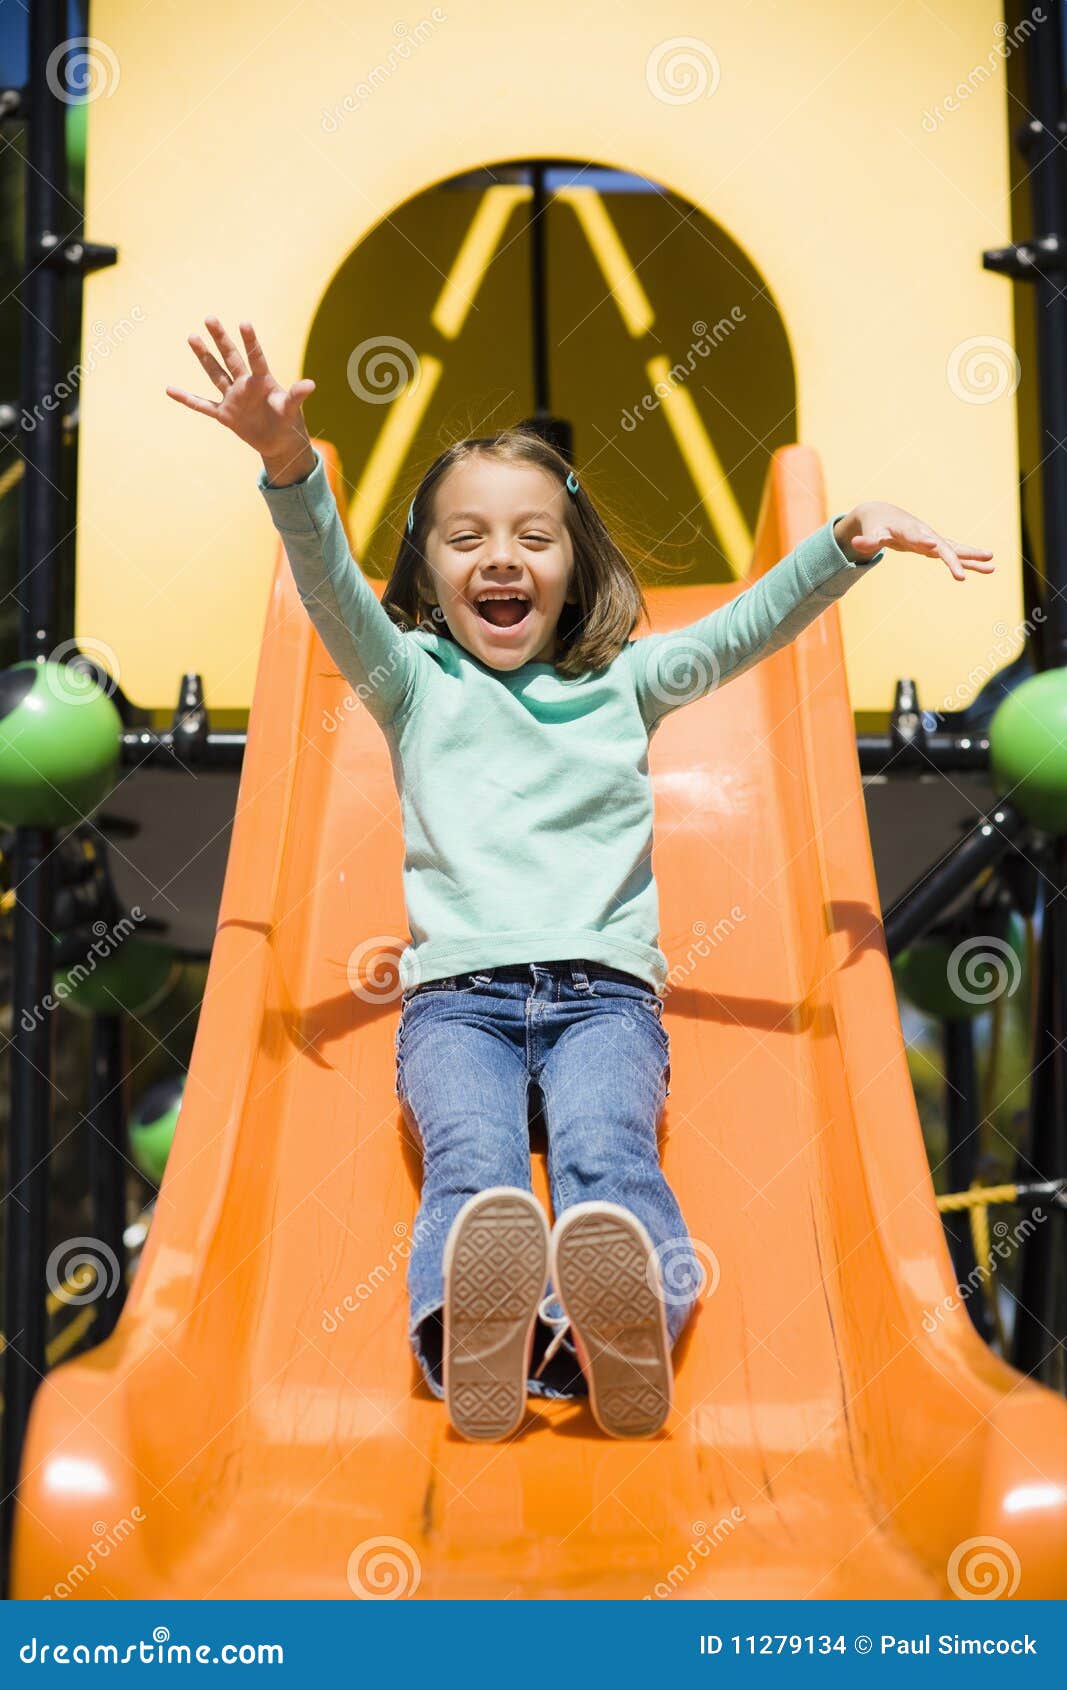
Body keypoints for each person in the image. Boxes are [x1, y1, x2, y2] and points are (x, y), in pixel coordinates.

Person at [167, 315, 995, 1443]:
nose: (499, 558)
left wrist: (841, 542)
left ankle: (624, 1320)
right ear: (425, 570)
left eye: (532, 537)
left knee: (606, 1148)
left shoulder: (625, 685)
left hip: (605, 998)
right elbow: (325, 585)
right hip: (455, 1002)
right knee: (477, 1167)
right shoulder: (408, 681)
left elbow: (752, 626)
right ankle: (471, 1331)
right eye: (464, 538)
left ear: (574, 563)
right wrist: (285, 462)